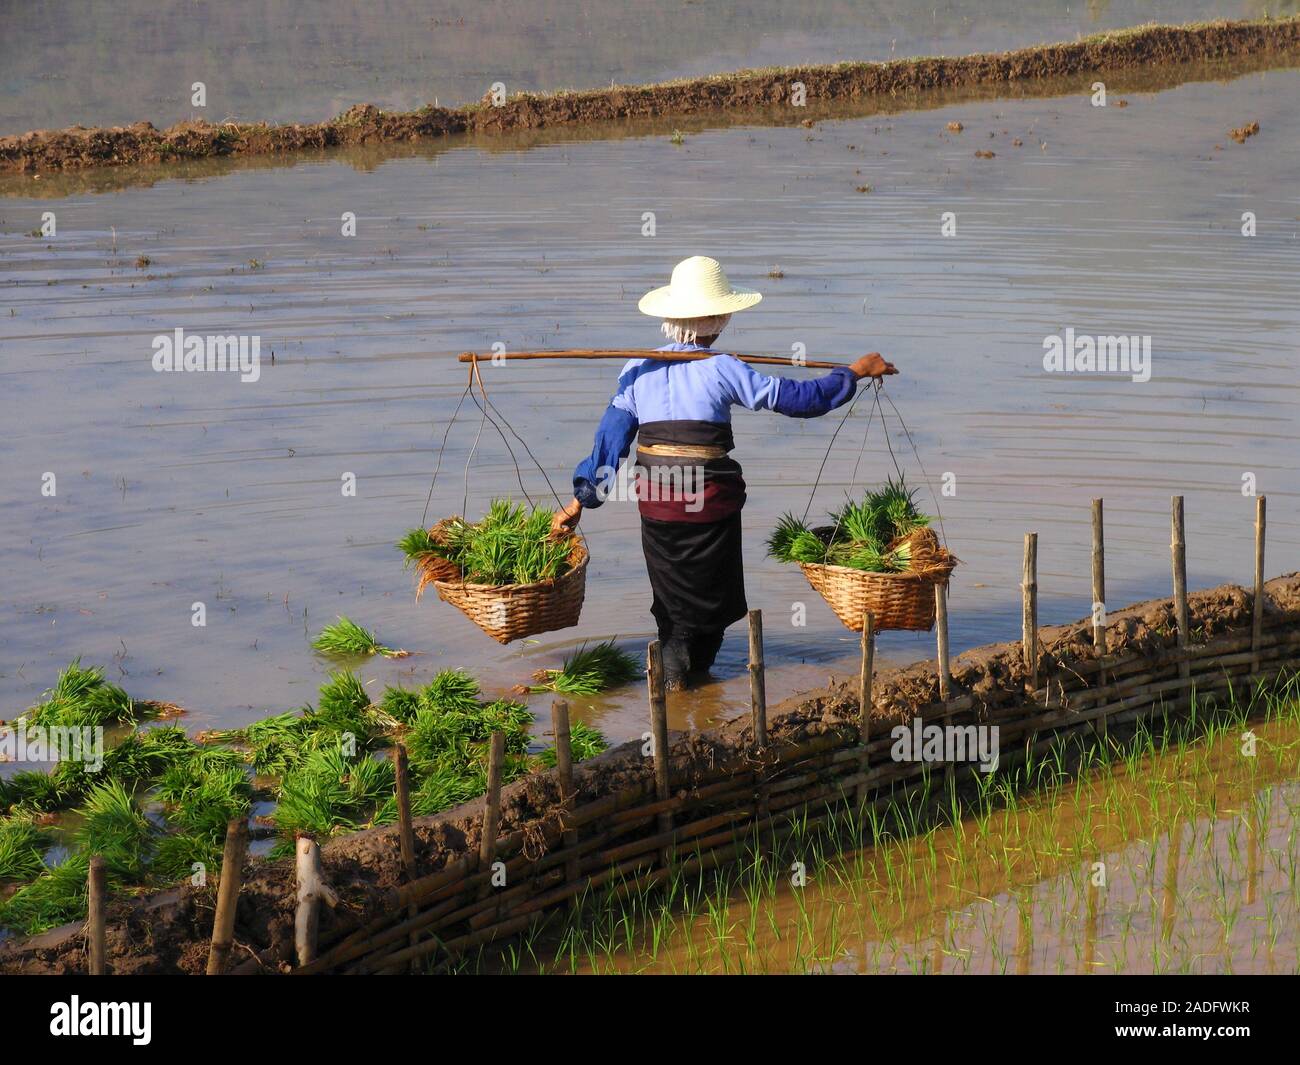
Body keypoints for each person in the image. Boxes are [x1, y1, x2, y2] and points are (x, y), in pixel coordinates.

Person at [552, 256, 896, 690]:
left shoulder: (635, 370)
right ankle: (687, 682)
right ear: (719, 318)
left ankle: (679, 685)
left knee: (673, 600)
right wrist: (852, 373)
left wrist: (580, 502)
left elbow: (611, 441)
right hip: (709, 507)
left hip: (659, 508)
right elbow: (800, 400)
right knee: (711, 600)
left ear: (671, 319)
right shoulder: (724, 367)